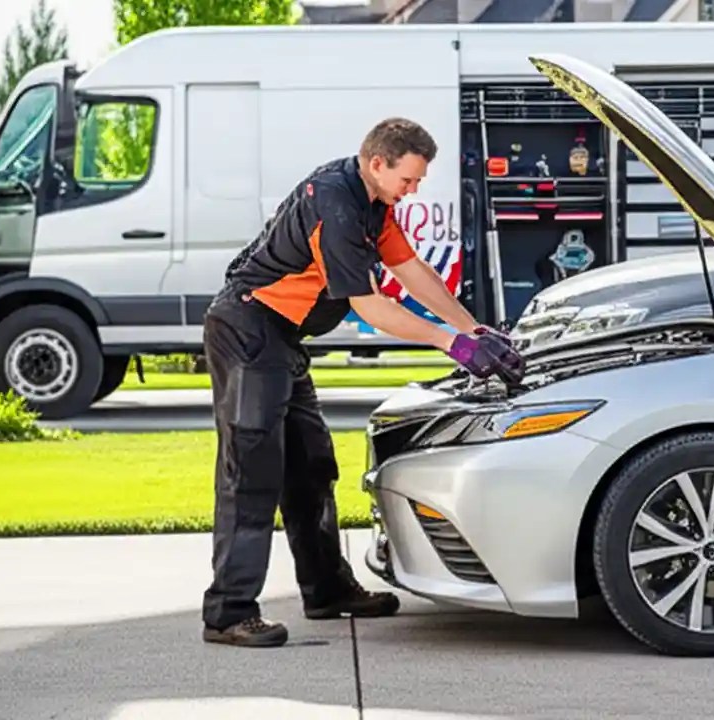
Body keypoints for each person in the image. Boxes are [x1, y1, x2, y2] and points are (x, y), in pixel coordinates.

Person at [200, 117, 525, 648]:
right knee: (252, 472)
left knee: (310, 466)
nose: (414, 190)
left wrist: (476, 328)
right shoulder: (337, 202)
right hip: (248, 330)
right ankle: (228, 612)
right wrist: (453, 345)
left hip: (280, 340)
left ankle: (327, 590)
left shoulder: (375, 206)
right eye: (409, 179)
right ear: (378, 163)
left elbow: (412, 271)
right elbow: (371, 307)